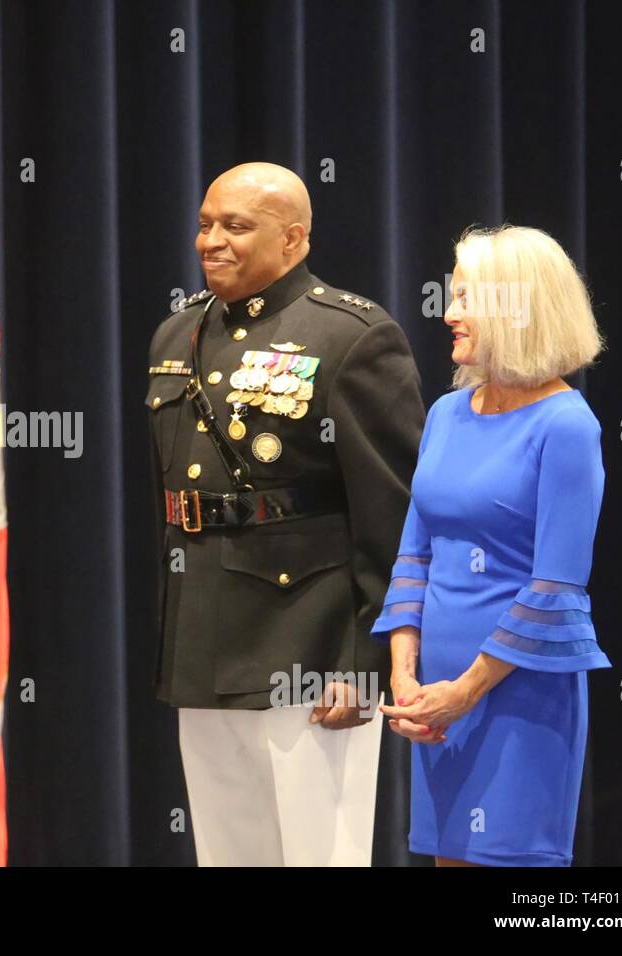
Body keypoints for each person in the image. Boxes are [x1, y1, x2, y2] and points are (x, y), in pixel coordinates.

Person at [146, 162, 424, 865]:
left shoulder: (351, 336)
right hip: (203, 638)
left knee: (316, 853)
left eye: (236, 227)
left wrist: (365, 660)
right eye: (206, 224)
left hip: (310, 644)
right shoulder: (176, 336)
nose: (212, 240)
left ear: (294, 239)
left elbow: (394, 514)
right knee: (227, 853)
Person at [376, 225, 609, 866]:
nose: (448, 312)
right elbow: (414, 555)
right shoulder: (447, 413)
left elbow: (555, 587)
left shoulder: (566, 425)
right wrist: (406, 674)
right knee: (447, 856)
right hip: (434, 695)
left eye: (467, 298)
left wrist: (467, 690)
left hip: (516, 692)